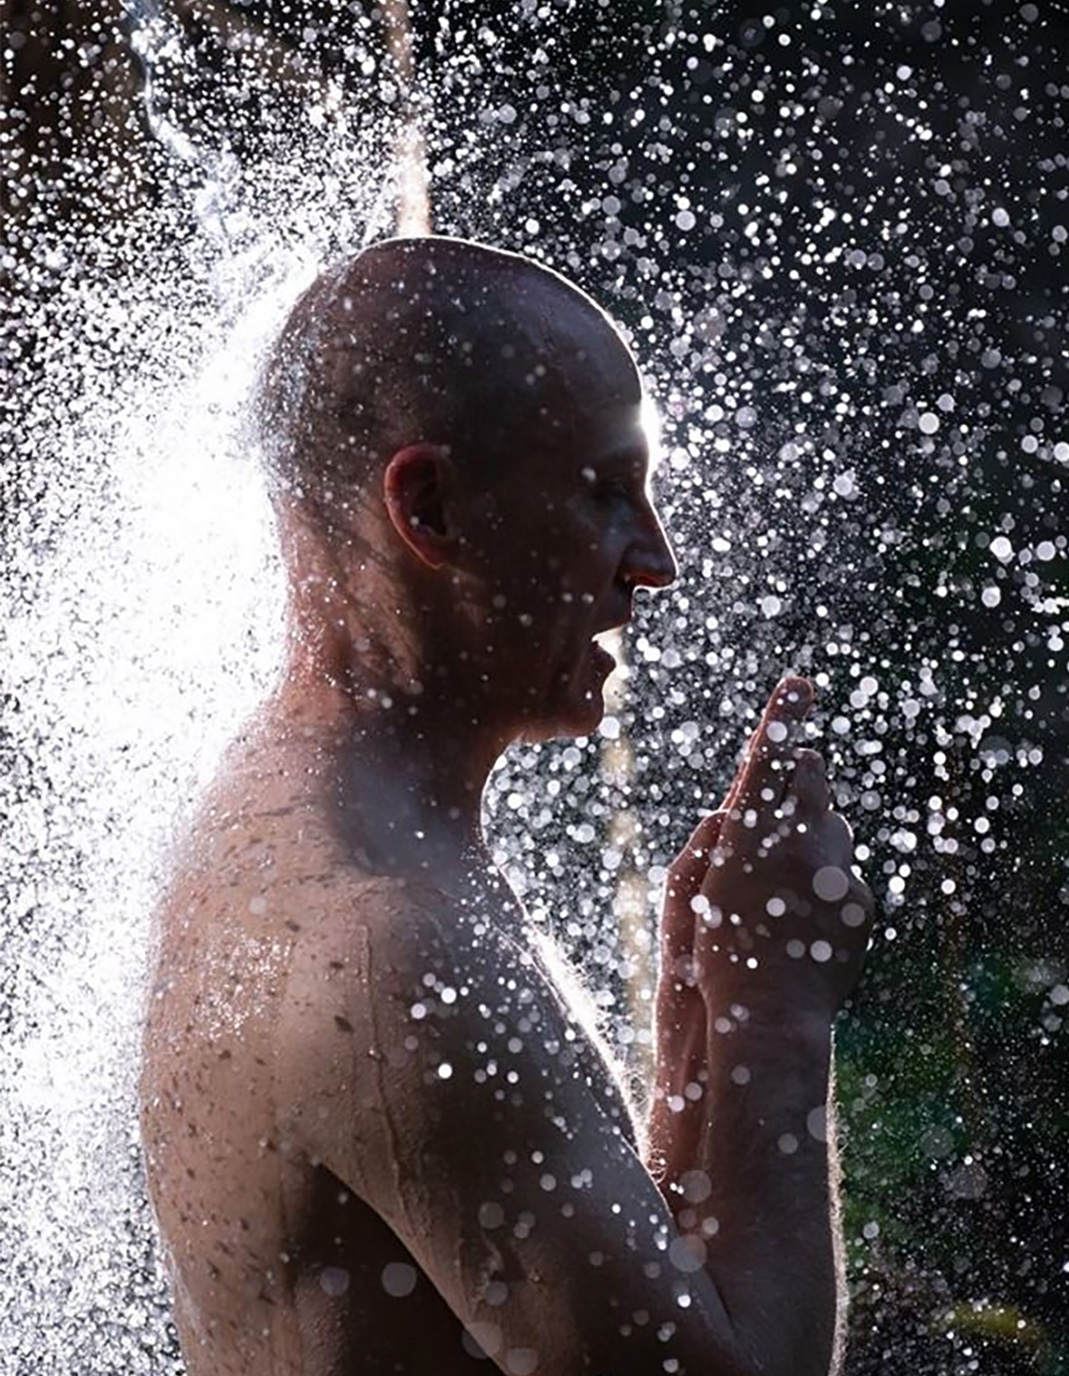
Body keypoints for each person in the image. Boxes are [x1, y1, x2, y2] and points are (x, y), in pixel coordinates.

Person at [140, 236, 874, 1376]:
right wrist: (777, 1017)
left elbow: (597, 1317)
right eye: (604, 492)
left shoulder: (298, 835)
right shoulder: (390, 950)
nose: (656, 560)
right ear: (430, 507)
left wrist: (703, 1032)